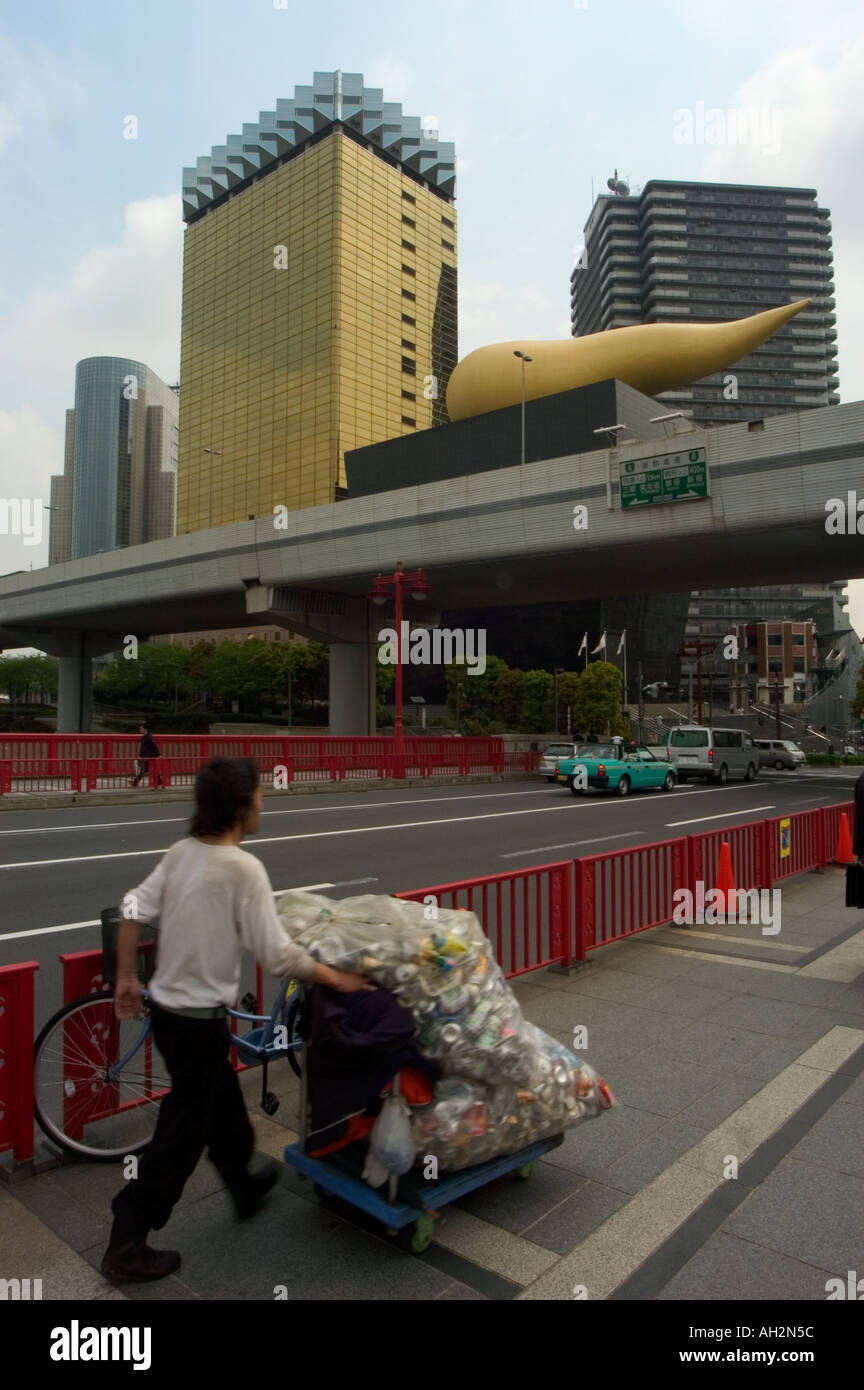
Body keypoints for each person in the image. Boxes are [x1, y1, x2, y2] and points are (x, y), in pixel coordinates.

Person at [101, 756, 372, 1284]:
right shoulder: (243, 868)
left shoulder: (182, 853)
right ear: (240, 806)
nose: (263, 803)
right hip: (196, 1020)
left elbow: (132, 907)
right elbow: (277, 956)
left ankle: (244, 1185)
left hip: (171, 1013)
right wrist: (336, 978)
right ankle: (128, 1237)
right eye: (259, 795)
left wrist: (128, 976)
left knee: (220, 1101)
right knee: (182, 1132)